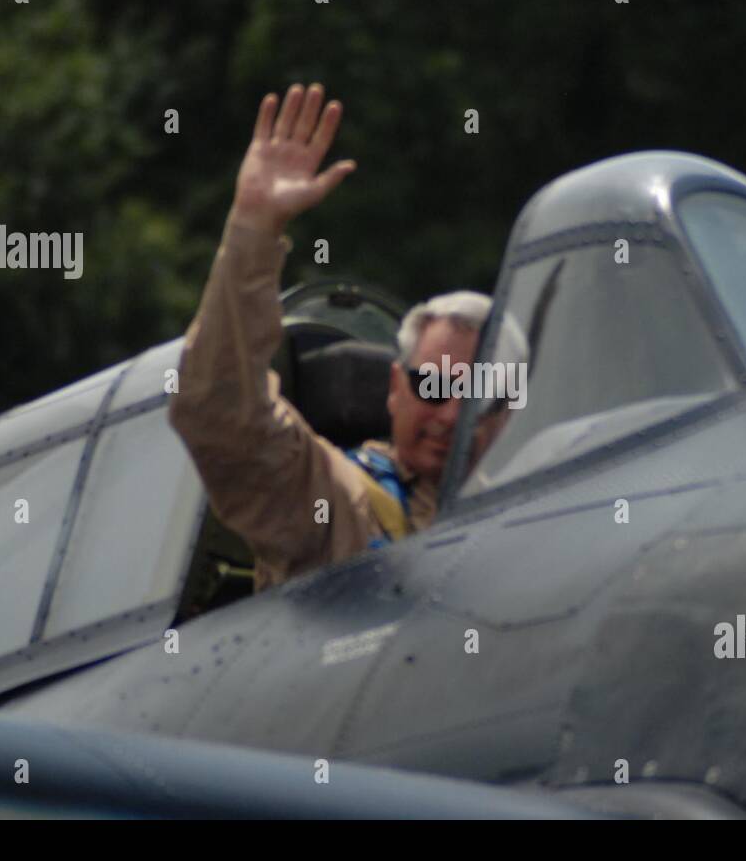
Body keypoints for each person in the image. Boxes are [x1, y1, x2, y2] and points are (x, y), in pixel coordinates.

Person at [169, 83, 508, 592]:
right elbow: (219, 413)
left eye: (475, 394)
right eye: (433, 386)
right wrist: (253, 232)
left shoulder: (537, 511)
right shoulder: (335, 501)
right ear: (395, 388)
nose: (451, 413)